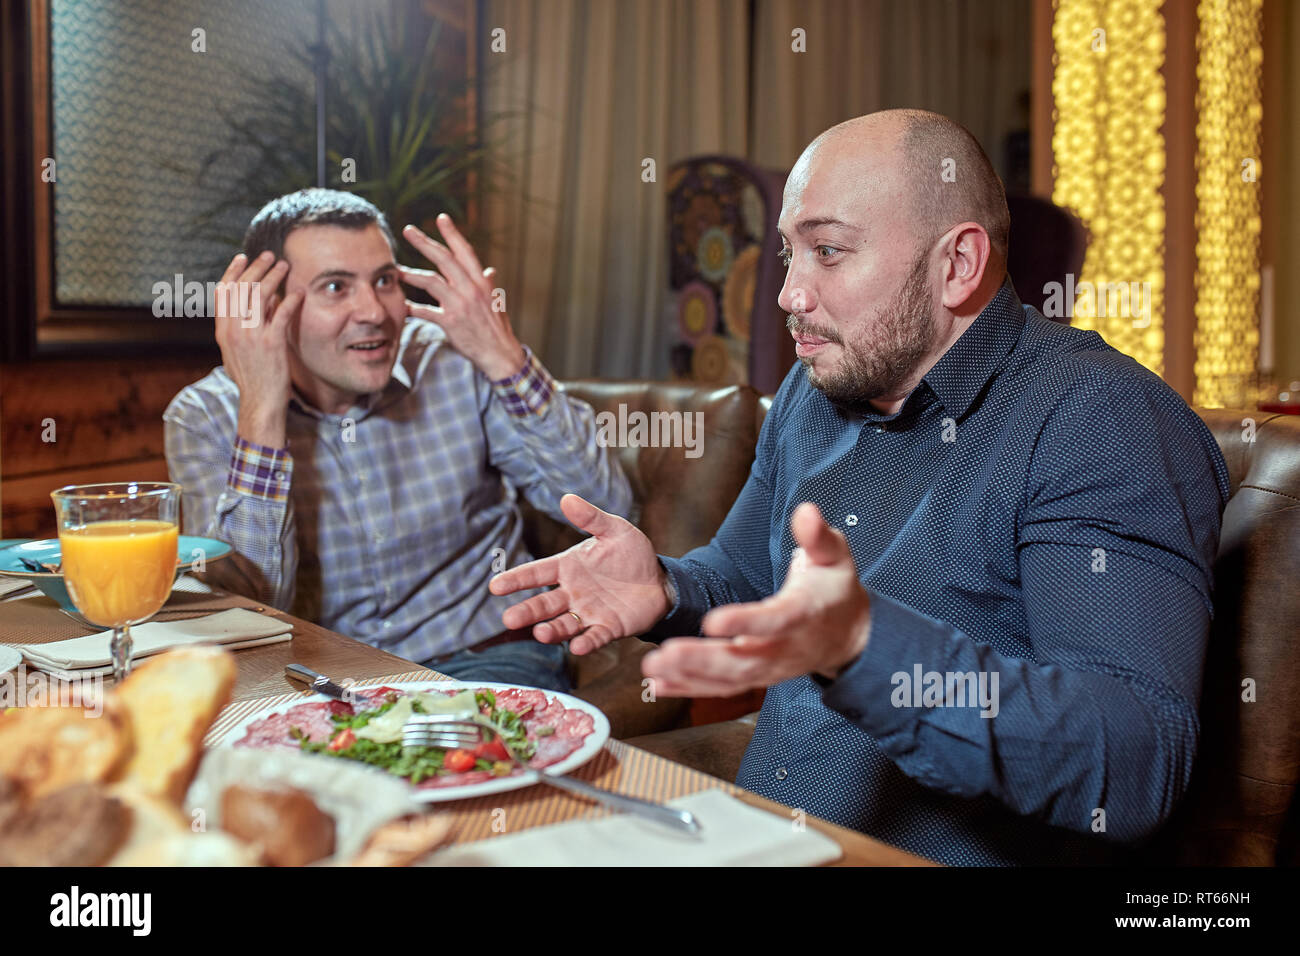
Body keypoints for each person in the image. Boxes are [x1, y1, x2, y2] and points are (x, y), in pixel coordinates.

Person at [490, 110, 1231, 865]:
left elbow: (1137, 760)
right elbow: (745, 581)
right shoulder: (817, 391)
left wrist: (865, 648)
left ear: (958, 265)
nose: (788, 294)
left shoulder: (1098, 418)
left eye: (828, 251)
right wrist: (666, 589)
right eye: (788, 253)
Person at [164, 189, 632, 692]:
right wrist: (262, 409)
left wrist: (502, 356)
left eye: (384, 280)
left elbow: (609, 506)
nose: (374, 311)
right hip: (318, 679)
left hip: (486, 657)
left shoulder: (454, 360)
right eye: (336, 287)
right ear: (268, 306)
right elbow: (252, 607)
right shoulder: (203, 416)